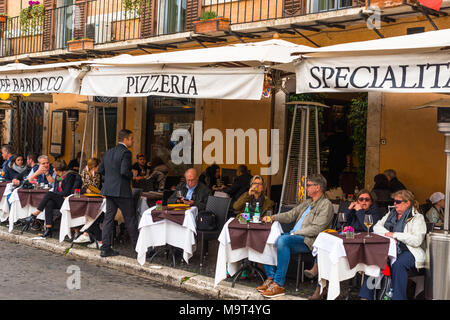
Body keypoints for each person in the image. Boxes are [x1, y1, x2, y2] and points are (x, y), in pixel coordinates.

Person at [257, 174, 334, 298]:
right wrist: (273, 217)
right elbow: (291, 215)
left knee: (283, 240)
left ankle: (278, 284)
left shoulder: (326, 205)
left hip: (308, 240)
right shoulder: (308, 202)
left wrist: (296, 233)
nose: (306, 188)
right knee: (268, 238)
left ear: (317, 187)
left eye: (308, 185)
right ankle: (271, 278)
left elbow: (317, 228)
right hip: (295, 236)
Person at [305, 189, 383, 297]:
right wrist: (350, 210)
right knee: (327, 249)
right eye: (361, 199)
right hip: (349, 242)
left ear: (371, 202)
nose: (364, 202)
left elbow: (368, 228)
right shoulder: (354, 210)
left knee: (335, 257)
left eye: (367, 199)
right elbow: (340, 225)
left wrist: (359, 211)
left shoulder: (374, 212)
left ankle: (328, 289)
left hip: (363, 247)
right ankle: (320, 285)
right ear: (357, 201)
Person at [359, 189, 427, 300]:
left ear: (407, 203)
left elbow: (417, 240)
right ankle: (366, 297)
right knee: (375, 261)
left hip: (409, 251)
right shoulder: (391, 214)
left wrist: (395, 235)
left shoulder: (417, 218)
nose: (394, 204)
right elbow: (376, 227)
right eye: (394, 201)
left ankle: (398, 298)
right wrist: (388, 234)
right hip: (390, 249)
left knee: (398, 265)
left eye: (398, 202)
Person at [97, 129, 139, 258]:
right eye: (131, 139)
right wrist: (133, 174)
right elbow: (124, 171)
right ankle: (138, 248)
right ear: (125, 139)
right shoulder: (126, 152)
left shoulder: (109, 152)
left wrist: (111, 178)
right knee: (130, 219)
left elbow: (100, 170)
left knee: (108, 219)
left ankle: (105, 248)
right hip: (122, 190)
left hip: (109, 190)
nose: (133, 141)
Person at [21, 160, 82, 238]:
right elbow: (57, 190)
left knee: (49, 194)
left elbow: (66, 192)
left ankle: (35, 214)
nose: (53, 170)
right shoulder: (58, 177)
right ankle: (48, 229)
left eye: (54, 168)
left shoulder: (70, 176)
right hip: (62, 199)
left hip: (70, 200)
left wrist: (57, 194)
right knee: (49, 203)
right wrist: (58, 194)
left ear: (58, 169)